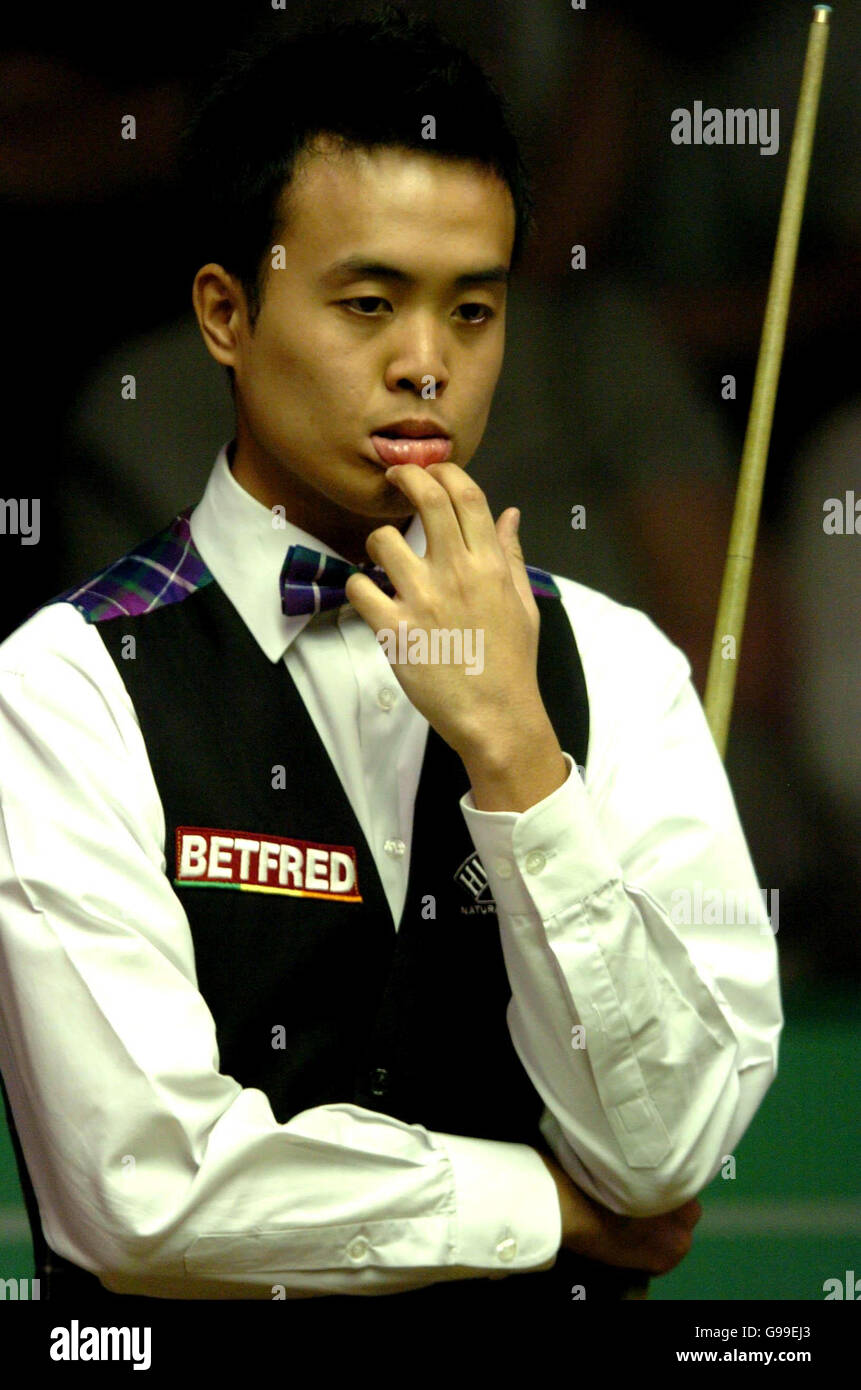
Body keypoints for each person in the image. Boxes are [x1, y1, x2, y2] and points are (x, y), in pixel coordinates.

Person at [0, 6, 781, 1308]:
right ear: (225, 312)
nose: (426, 362)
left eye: (472, 309)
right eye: (368, 302)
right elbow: (143, 1192)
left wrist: (521, 763)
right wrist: (537, 1203)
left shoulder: (622, 668)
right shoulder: (64, 688)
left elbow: (662, 1155)